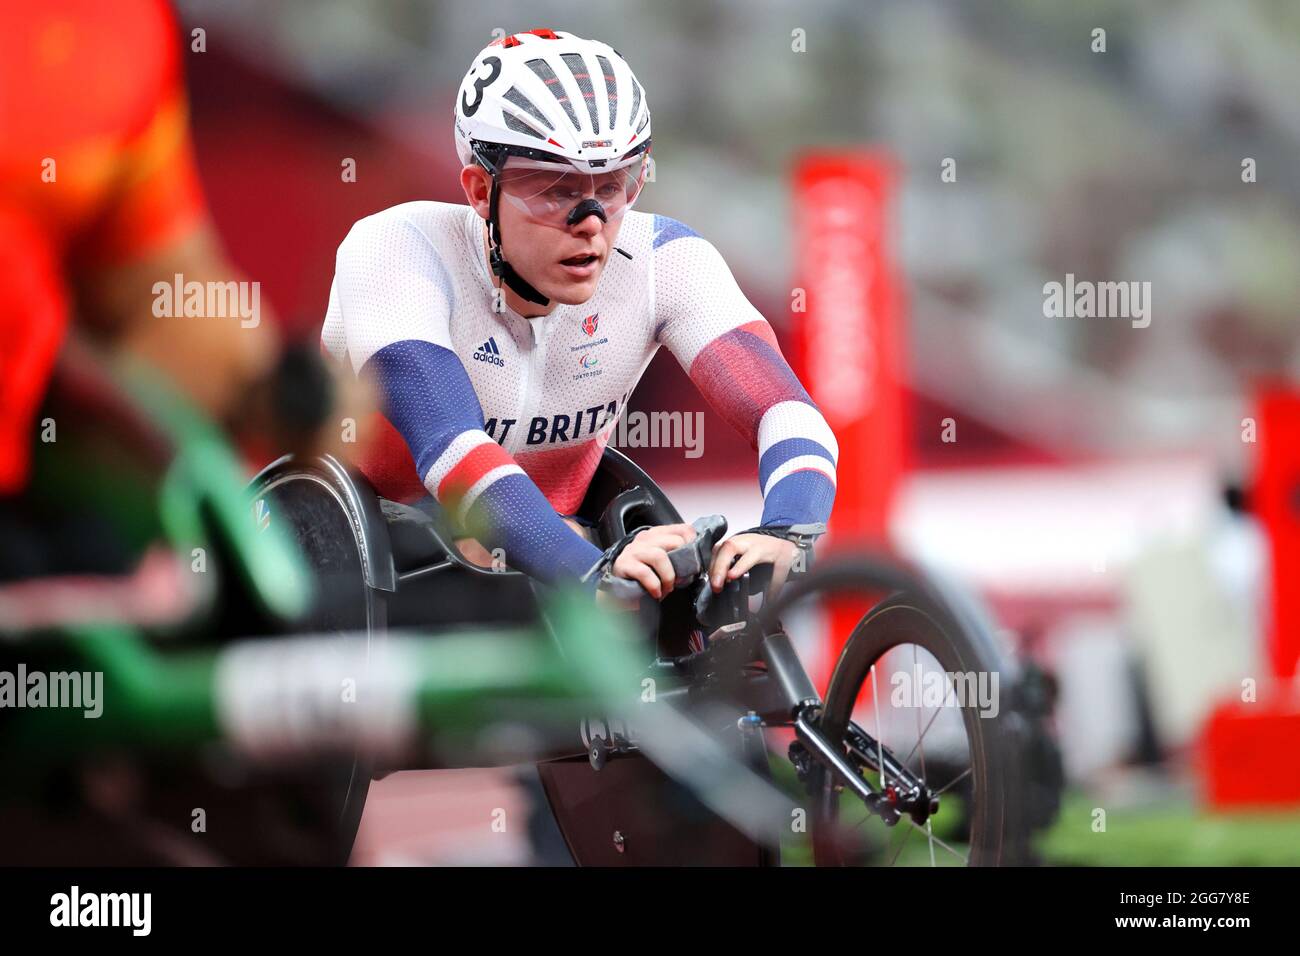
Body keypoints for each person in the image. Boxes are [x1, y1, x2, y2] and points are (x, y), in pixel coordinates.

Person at [322, 29, 838, 599]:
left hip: (559, 559)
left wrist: (788, 527)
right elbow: (452, 450)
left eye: (612, 184)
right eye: (554, 189)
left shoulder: (665, 260)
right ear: (478, 190)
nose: (590, 220)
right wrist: (592, 568)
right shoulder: (395, 249)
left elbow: (786, 410)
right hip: (363, 570)